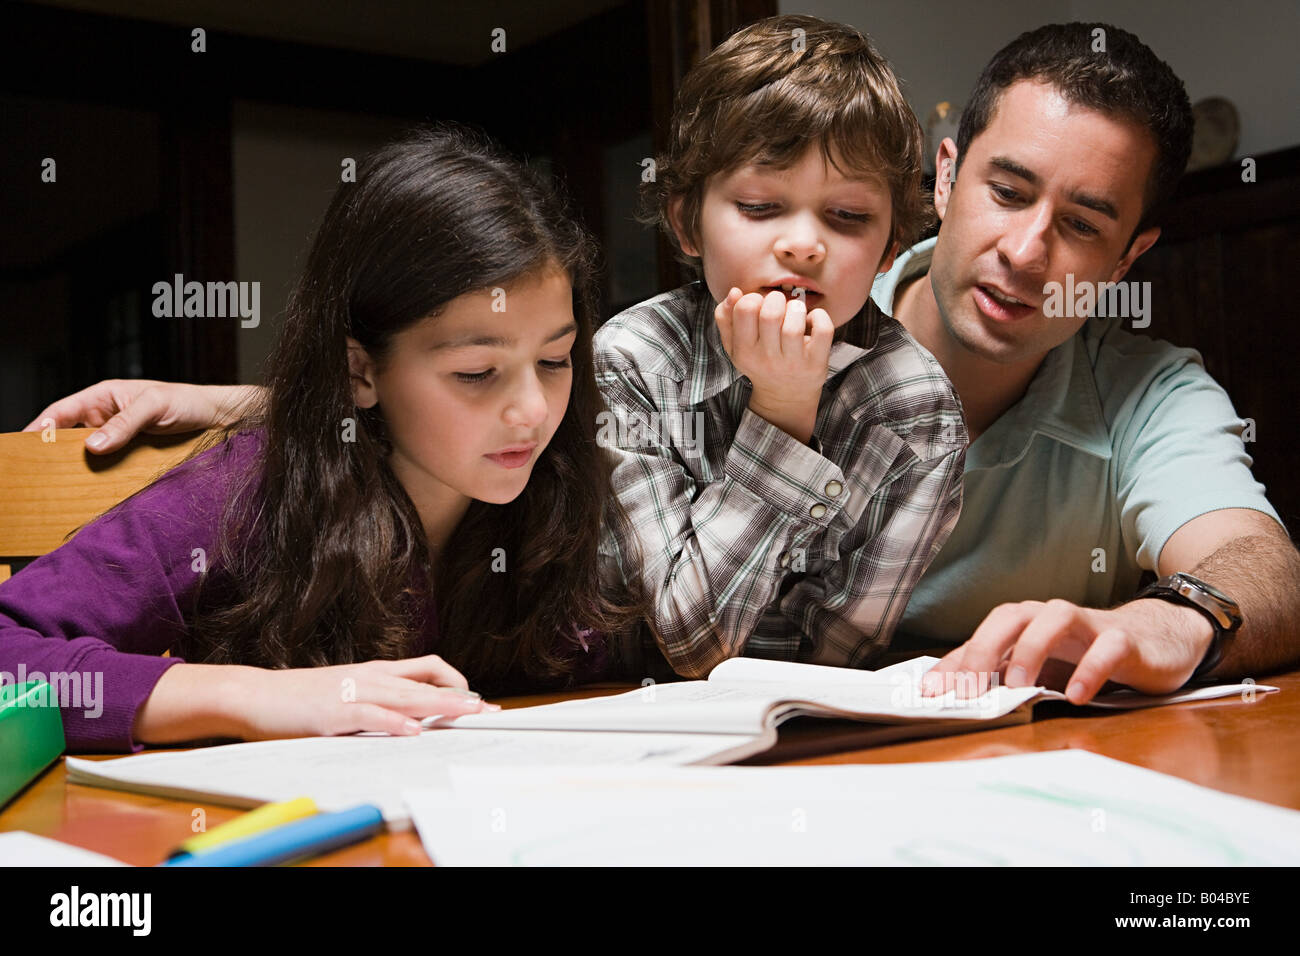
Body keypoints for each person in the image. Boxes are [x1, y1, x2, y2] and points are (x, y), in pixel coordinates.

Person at [2, 124, 661, 753]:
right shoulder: (241, 495)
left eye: (554, 359)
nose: (532, 411)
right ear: (360, 371)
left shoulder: (561, 488)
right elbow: (11, 659)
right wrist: (248, 695)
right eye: (476, 373)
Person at [874, 23, 1299, 701]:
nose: (1024, 254)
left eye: (1082, 225)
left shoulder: (1150, 392)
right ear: (946, 178)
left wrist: (1168, 622)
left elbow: (1268, 568)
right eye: (1007, 192)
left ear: (1127, 258)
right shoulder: (792, 332)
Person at [592, 15, 966, 676]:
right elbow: (686, 643)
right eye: (760, 206)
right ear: (686, 224)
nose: (803, 244)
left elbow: (828, 669)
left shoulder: (918, 410)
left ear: (890, 249)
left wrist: (783, 410)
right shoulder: (633, 361)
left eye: (848, 216)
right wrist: (781, 414)